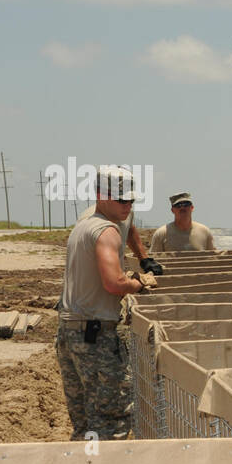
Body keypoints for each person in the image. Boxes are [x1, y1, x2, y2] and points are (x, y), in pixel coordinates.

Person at [55, 165, 157, 441]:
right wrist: (139, 282)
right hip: (96, 335)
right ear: (101, 195)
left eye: (131, 200)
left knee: (85, 419)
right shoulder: (106, 231)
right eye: (122, 200)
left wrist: (143, 257)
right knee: (112, 419)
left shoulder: (84, 225)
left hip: (70, 332)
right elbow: (113, 283)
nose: (128, 205)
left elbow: (131, 229)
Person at [149, 192, 216, 253]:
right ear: (172, 210)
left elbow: (214, 259)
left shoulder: (204, 232)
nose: (182, 207)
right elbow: (154, 261)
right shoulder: (161, 234)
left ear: (192, 208)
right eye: (178, 205)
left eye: (186, 204)